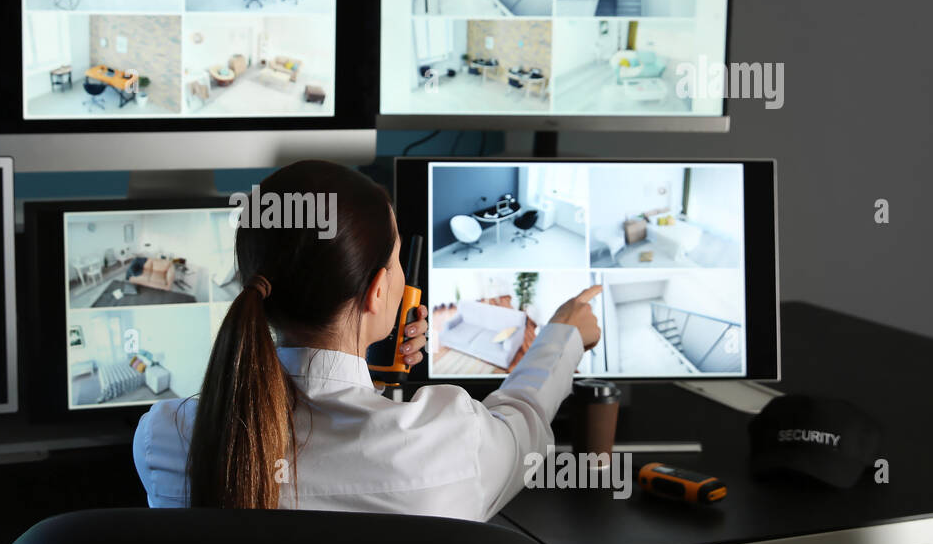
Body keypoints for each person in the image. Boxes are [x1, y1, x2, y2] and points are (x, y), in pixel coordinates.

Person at [133, 160, 601, 521]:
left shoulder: (164, 439)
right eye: (396, 259)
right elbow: (525, 425)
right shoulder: (450, 442)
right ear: (378, 291)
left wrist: (367, 374)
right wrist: (564, 333)